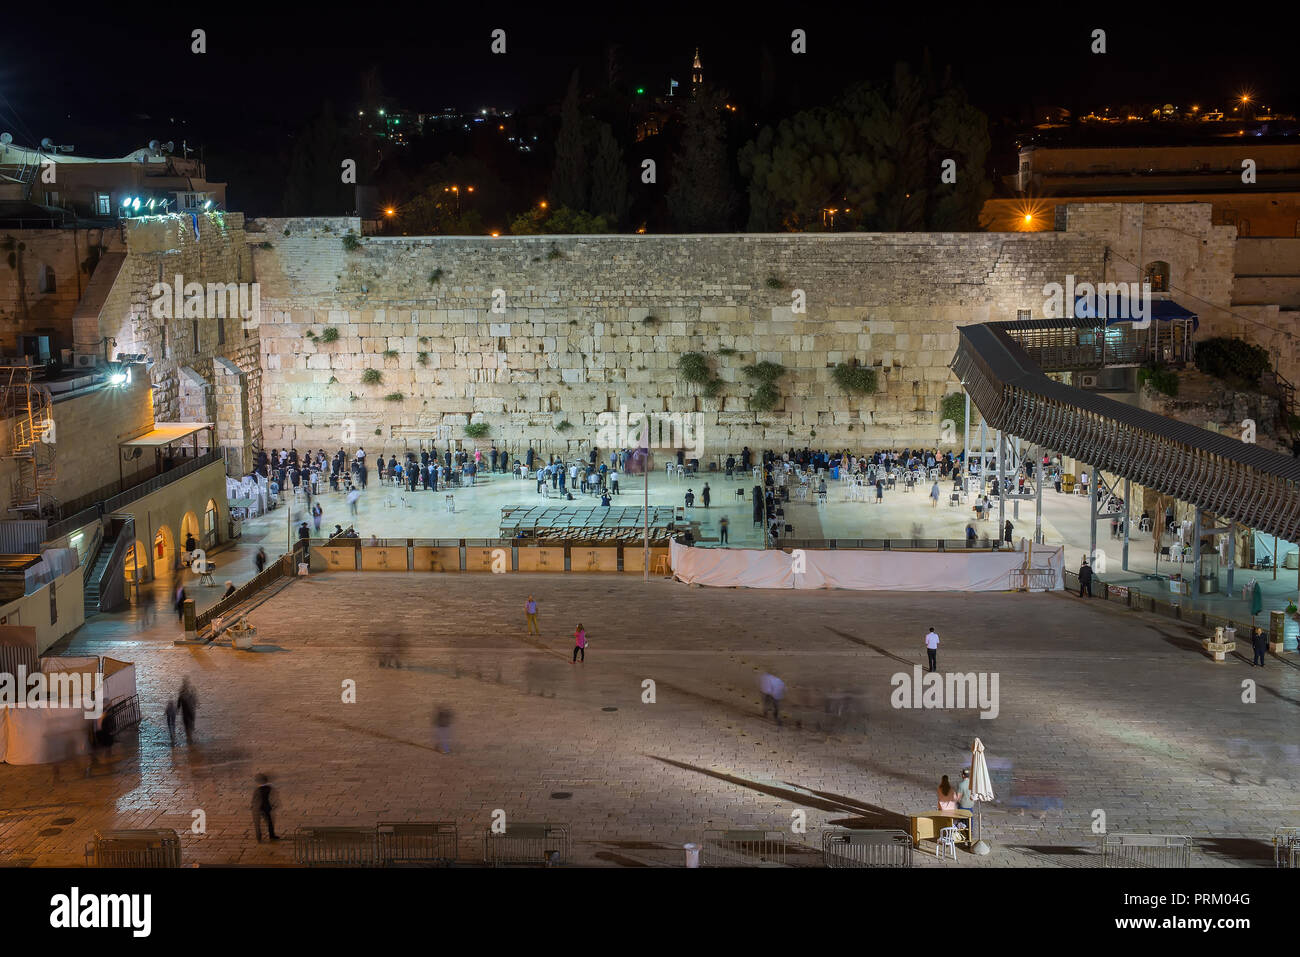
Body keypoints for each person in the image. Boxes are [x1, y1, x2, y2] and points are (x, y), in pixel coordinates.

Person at [252, 773, 279, 842]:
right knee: (269, 822)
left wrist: (253, 806)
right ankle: (271, 835)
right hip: (266, 807)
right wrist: (275, 804)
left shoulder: (257, 789)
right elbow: (272, 797)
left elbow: (254, 799)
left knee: (258, 823)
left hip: (259, 808)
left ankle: (259, 837)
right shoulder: (269, 787)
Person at [178, 678, 197, 744]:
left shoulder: (182, 692)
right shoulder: (190, 691)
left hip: (186, 711)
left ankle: (189, 736)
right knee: (190, 722)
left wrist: (178, 708)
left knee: (187, 723)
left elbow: (179, 701)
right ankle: (189, 736)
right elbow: (194, 698)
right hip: (191, 710)